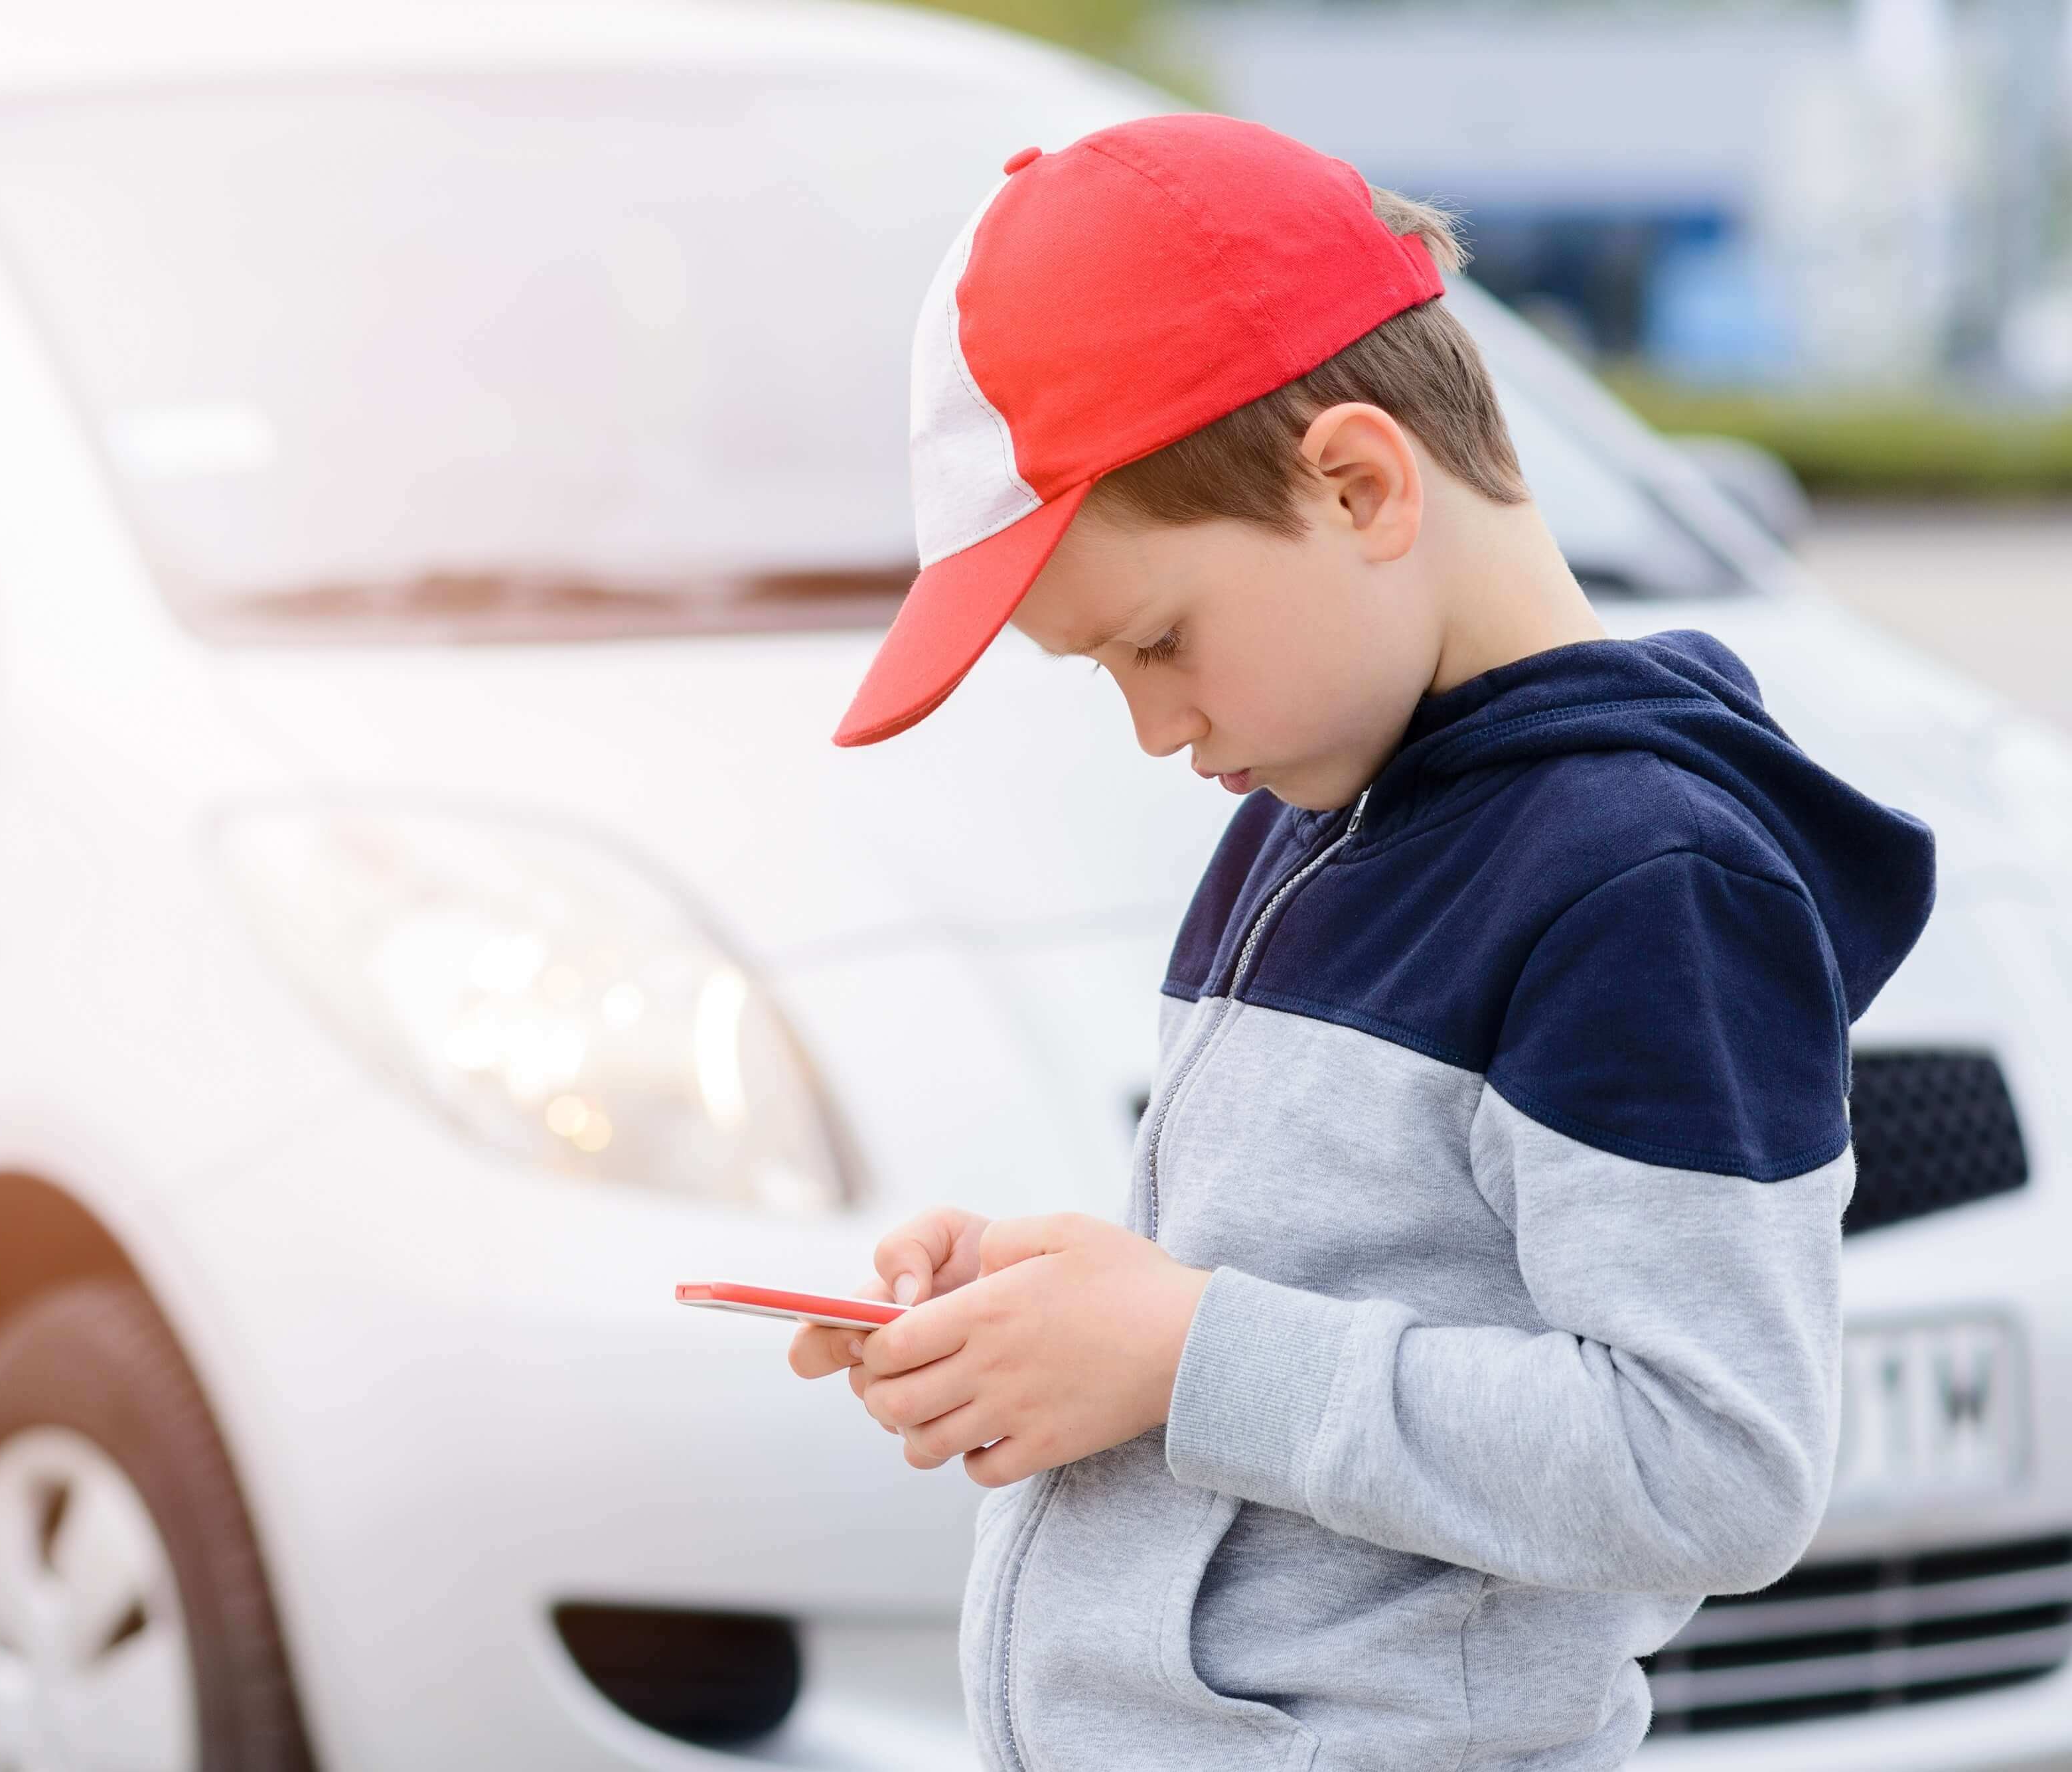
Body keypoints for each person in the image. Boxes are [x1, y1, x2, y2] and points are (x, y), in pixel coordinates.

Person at [786, 111, 1936, 1771]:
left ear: (1356, 481)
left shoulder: (1643, 885)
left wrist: (1181, 1350)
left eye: (1154, 641)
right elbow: (1328, 1272)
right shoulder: (1310, 812)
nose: (1150, 726)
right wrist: (1050, 1311)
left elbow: (1711, 1465)